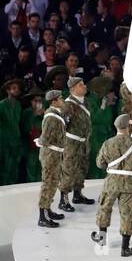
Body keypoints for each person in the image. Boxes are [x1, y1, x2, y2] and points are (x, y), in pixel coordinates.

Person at [92, 112, 132, 255]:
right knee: (127, 214)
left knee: (104, 209)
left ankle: (102, 239)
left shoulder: (108, 143)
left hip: (111, 182)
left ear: (116, 127)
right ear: (128, 127)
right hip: (129, 184)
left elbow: (99, 163)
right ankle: (125, 248)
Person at [59, 74, 94, 210]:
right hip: (72, 143)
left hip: (83, 142)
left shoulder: (85, 102)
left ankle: (77, 194)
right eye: (81, 85)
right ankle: (63, 199)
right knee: (69, 169)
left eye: (83, 83)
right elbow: (63, 125)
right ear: (73, 89)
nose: (84, 86)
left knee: (81, 168)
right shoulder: (68, 105)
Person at [37, 90, 68, 228]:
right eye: (61, 99)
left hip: (55, 154)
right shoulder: (51, 117)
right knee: (48, 183)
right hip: (50, 155)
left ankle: (48, 209)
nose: (63, 101)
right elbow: (45, 138)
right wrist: (40, 141)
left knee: (53, 182)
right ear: (54, 101)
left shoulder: (57, 114)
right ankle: (42, 216)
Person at [0, 78, 24, 186]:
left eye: (17, 88)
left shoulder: (18, 105)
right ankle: (4, 186)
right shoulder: (0, 106)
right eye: (13, 88)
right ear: (8, 91)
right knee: (5, 166)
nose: (16, 90)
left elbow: (18, 122)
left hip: (15, 138)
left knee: (14, 165)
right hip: (5, 139)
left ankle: (12, 186)